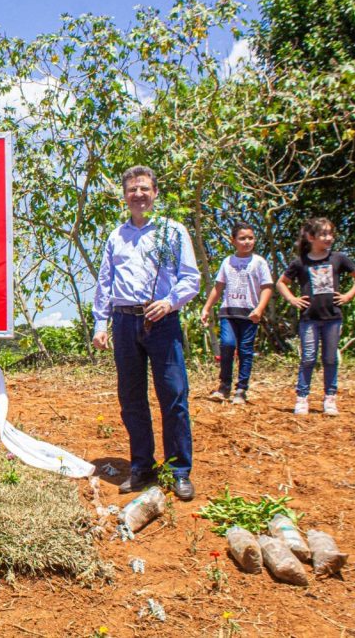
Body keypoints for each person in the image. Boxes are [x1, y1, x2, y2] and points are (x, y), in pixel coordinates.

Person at [92, 165, 200, 500]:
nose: (138, 194)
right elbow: (105, 282)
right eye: (132, 189)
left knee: (174, 395)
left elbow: (190, 278)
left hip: (162, 322)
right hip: (125, 324)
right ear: (124, 196)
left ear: (154, 193)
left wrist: (168, 303)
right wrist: (101, 323)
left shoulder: (172, 231)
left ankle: (179, 470)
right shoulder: (116, 237)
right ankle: (142, 466)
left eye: (144, 188)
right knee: (131, 398)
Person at [276, 217, 355, 416]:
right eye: (323, 234)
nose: (328, 238)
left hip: (333, 317)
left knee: (330, 358)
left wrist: (347, 295)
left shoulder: (339, 258)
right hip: (309, 318)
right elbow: (281, 283)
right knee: (308, 358)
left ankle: (330, 398)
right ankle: (302, 397)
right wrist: (293, 299)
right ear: (311, 237)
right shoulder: (300, 262)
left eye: (330, 234)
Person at [199, 222, 274, 405]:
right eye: (242, 238)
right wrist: (207, 307)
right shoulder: (228, 262)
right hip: (228, 312)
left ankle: (241, 389)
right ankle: (224, 385)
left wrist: (259, 309)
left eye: (250, 238)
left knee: (245, 350)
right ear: (233, 241)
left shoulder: (259, 262)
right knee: (227, 345)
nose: (247, 241)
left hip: (249, 314)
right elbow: (218, 287)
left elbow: (267, 287)